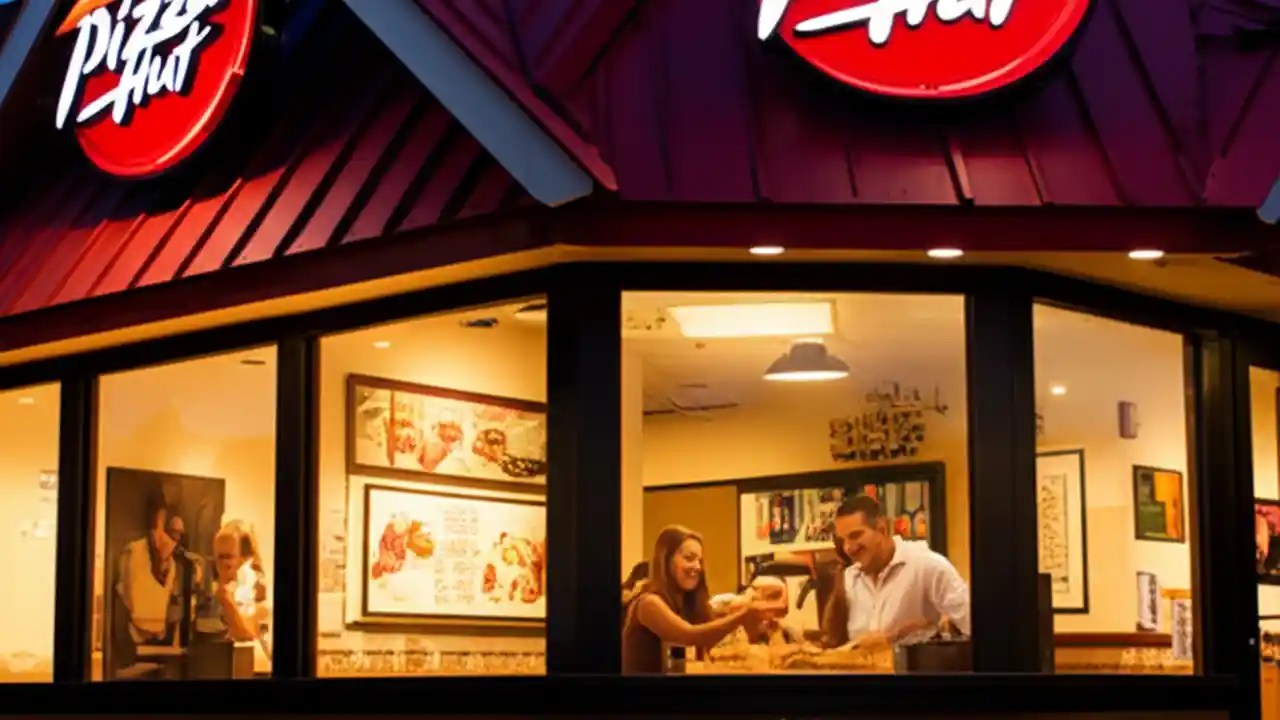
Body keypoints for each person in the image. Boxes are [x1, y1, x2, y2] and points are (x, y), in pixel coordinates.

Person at [820, 495, 969, 649]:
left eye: (855, 536)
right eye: (842, 540)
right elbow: (835, 642)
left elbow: (973, 624)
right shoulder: (849, 579)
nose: (848, 548)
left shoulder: (928, 566)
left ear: (882, 529)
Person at [622, 525, 769, 673]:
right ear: (666, 560)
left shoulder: (685, 605)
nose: (697, 566)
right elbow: (689, 636)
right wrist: (740, 617)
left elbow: (709, 637)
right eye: (689, 558)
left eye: (700, 561)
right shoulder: (648, 604)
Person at [208, 520, 272, 671]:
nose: (223, 564)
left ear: (245, 558)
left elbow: (245, 633)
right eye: (219, 558)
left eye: (229, 557)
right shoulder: (215, 596)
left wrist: (227, 599)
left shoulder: (258, 591)